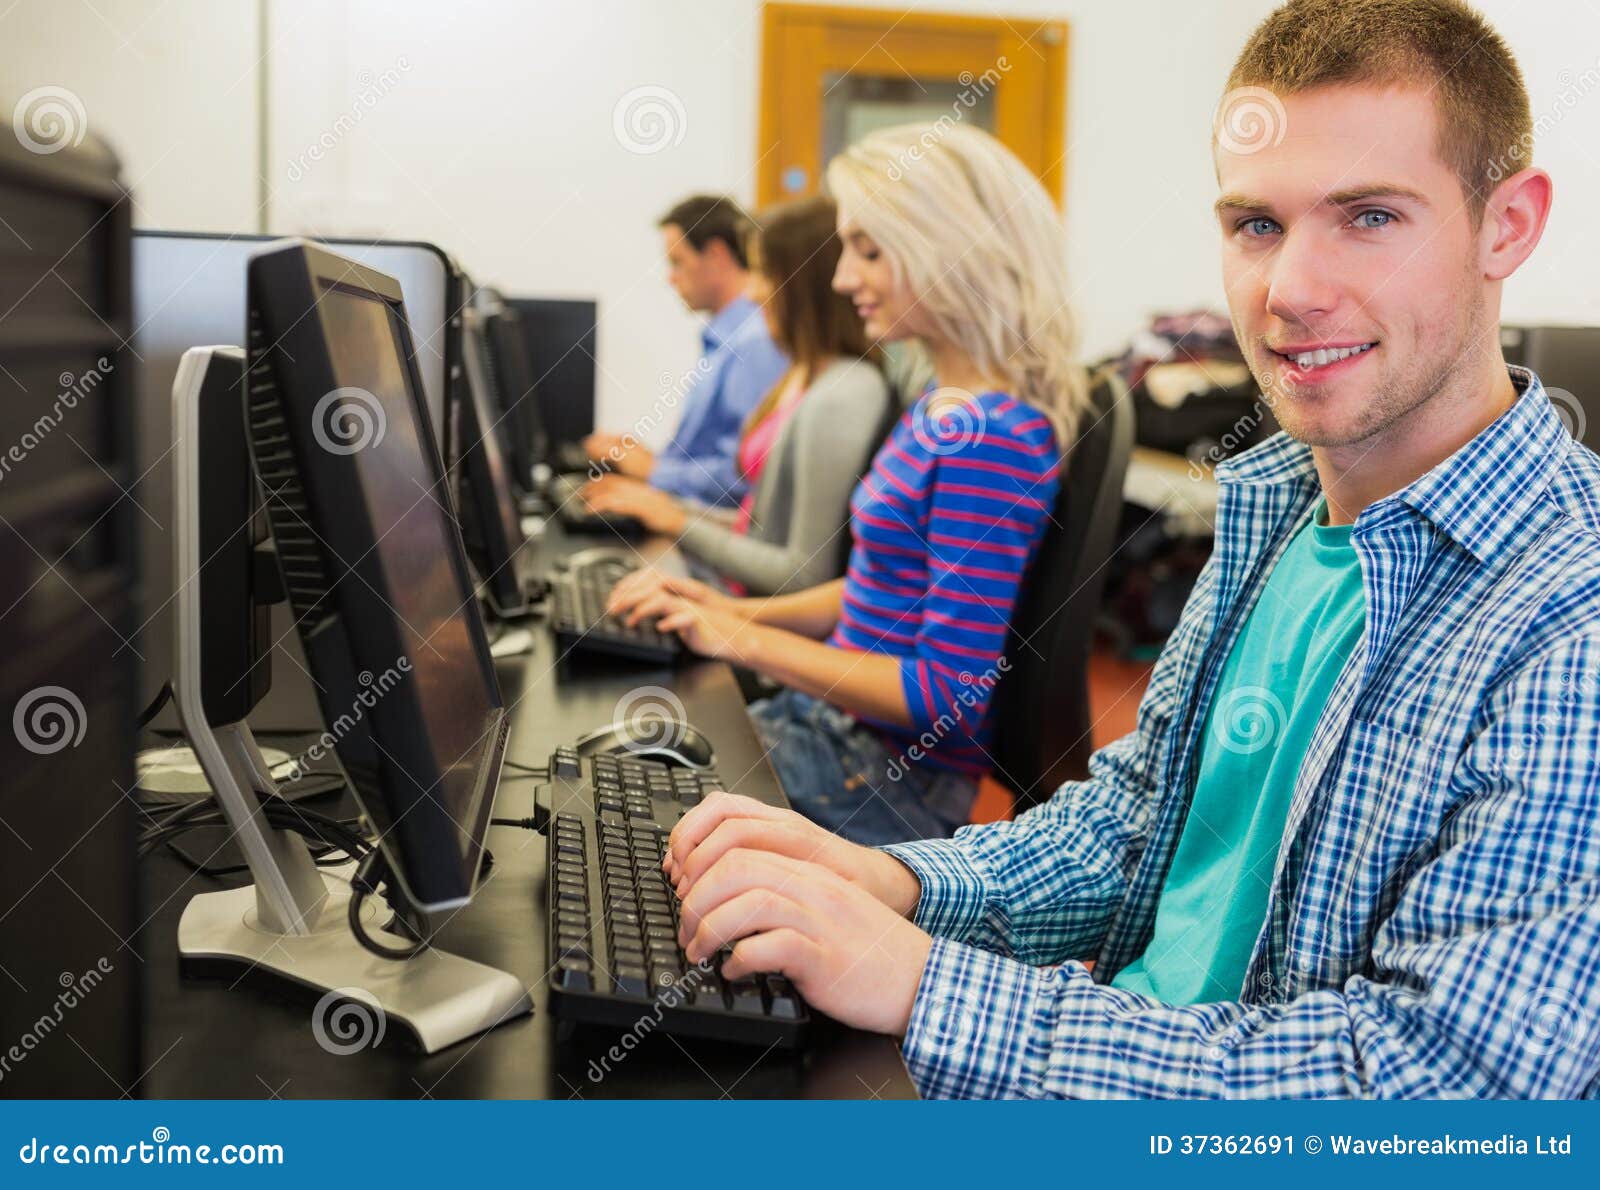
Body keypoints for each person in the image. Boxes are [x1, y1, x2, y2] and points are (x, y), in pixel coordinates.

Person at [660, 0, 1600, 1098]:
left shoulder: (1568, 612)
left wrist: (923, 984)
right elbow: (1132, 827)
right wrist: (893, 881)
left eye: (1370, 216)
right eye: (1255, 224)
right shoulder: (1282, 514)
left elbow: (1439, 1095)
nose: (1288, 290)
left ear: (1509, 225)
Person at [611, 125, 1091, 846]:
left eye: (869, 250)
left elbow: (943, 694)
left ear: (947, 247)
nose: (841, 279)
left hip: (884, 779)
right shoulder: (941, 405)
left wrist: (743, 638)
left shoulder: (987, 437)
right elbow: (884, 588)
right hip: (833, 737)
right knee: (611, 761)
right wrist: (725, 610)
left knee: (619, 809)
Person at [582, 195, 889, 595]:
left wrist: (673, 517)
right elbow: (758, 527)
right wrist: (664, 509)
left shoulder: (839, 394)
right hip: (738, 592)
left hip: (751, 604)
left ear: (802, 286)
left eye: (765, 275)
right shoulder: (815, 378)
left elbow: (800, 574)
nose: (754, 293)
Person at [581, 194, 789, 508]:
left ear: (717, 255)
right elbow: (712, 452)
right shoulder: (727, 339)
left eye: (678, 262)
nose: (671, 277)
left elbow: (747, 476)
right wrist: (650, 460)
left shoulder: (755, 343)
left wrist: (654, 471)